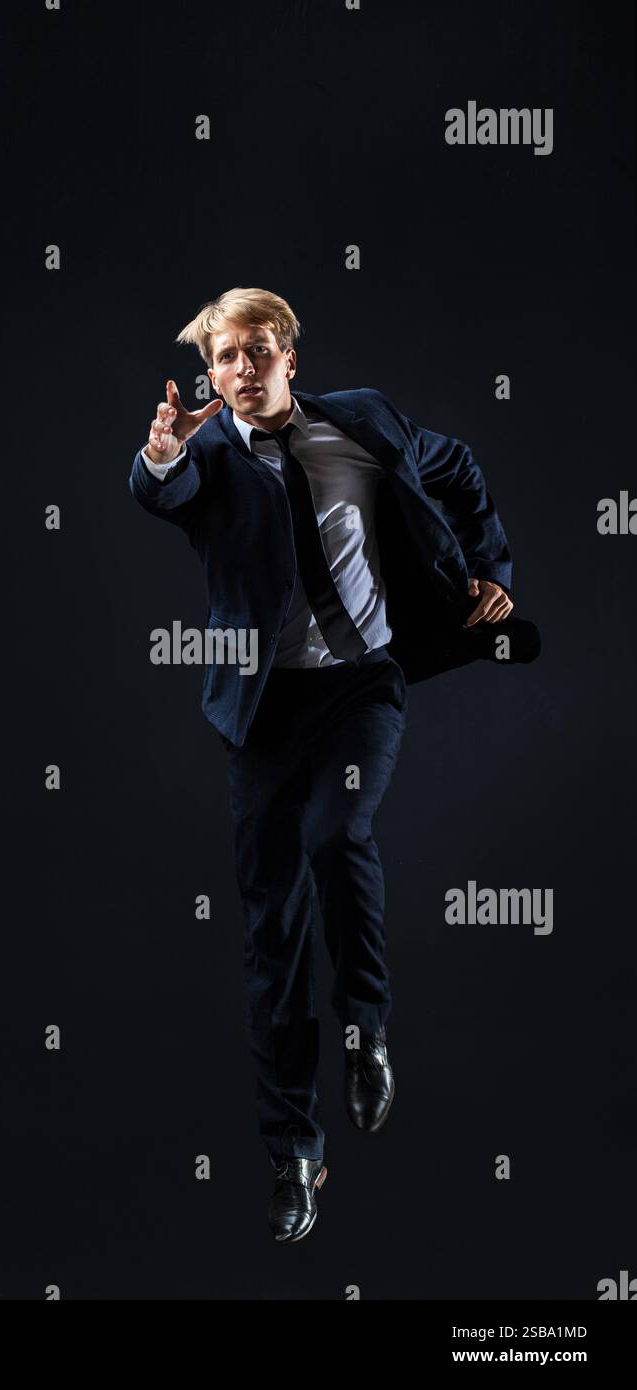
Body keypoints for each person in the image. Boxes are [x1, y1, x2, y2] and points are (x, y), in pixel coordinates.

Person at [128, 287, 540, 1244]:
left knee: (338, 831)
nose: (239, 370)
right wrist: (158, 452)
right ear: (211, 372)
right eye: (223, 358)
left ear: (289, 357)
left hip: (362, 683)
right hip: (264, 711)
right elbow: (162, 491)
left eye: (255, 351)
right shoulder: (205, 459)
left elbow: (461, 466)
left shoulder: (363, 420)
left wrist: (492, 573)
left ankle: (368, 1031)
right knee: (272, 930)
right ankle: (295, 1155)